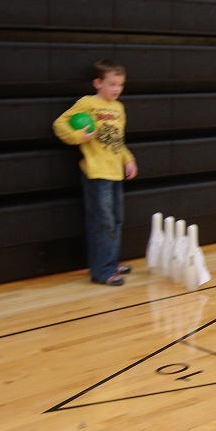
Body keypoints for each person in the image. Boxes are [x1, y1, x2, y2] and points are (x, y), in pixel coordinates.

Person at [53, 60, 137, 286]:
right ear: (98, 83)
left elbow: (119, 141)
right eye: (112, 84)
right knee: (103, 222)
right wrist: (79, 136)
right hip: (97, 173)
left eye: (120, 85)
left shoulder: (118, 108)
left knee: (116, 221)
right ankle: (102, 272)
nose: (117, 89)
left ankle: (109, 262)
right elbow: (60, 125)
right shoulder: (87, 103)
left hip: (115, 172)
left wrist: (128, 160)